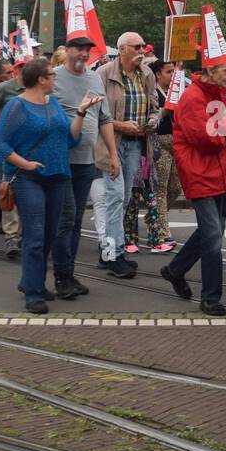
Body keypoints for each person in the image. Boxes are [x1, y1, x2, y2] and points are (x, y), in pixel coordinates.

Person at [0, 59, 100, 311]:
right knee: (35, 234)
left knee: (50, 233)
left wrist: (81, 113)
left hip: (58, 176)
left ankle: (32, 281)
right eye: (52, 75)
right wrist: (25, 164)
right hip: (30, 179)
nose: (56, 79)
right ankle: (34, 292)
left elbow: (70, 139)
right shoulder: (17, 106)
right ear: (41, 79)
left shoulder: (52, 103)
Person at [161, 58, 226, 315]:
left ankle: (175, 270)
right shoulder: (193, 97)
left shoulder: (216, 93)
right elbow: (205, 138)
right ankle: (210, 298)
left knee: (212, 230)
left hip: (215, 170)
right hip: (199, 171)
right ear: (211, 71)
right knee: (213, 236)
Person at [53, 35, 120, 296]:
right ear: (67, 50)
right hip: (62, 159)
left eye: (87, 50)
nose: (83, 54)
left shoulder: (94, 79)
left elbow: (104, 118)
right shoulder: (54, 77)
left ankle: (68, 273)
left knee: (76, 218)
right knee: (66, 217)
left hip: (87, 160)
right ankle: (60, 276)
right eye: (79, 49)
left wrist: (113, 154)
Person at [95, 31, 157, 277]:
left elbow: (154, 105)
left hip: (135, 144)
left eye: (143, 46)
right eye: (136, 46)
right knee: (114, 196)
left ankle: (110, 250)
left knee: (123, 196)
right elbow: (97, 114)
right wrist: (120, 125)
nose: (142, 51)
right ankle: (114, 255)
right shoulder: (103, 74)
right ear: (121, 50)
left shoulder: (147, 74)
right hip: (112, 143)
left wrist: (153, 119)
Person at [0, 59, 25, 258]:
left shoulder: (38, 89)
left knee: (28, 191)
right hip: (9, 146)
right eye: (17, 69)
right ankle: (11, 236)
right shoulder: (4, 88)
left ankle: (26, 235)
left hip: (30, 149)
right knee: (8, 189)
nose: (19, 72)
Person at [149, 59, 180, 256]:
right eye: (169, 72)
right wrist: (165, 110)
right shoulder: (153, 92)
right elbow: (152, 116)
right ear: (158, 74)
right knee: (160, 188)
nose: (171, 75)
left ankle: (156, 217)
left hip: (175, 143)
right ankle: (163, 230)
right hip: (159, 142)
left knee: (176, 187)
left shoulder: (175, 92)